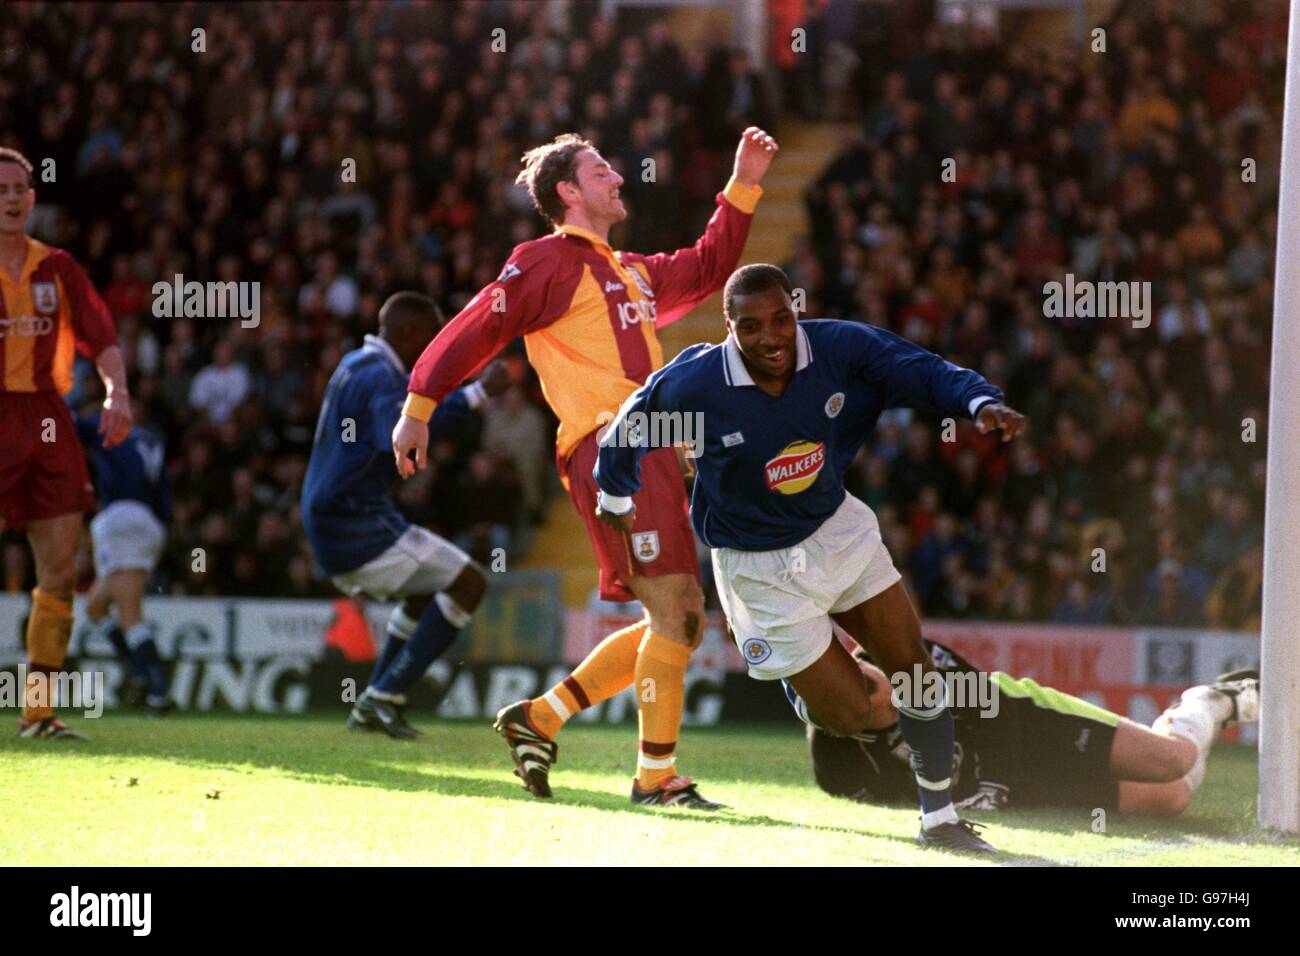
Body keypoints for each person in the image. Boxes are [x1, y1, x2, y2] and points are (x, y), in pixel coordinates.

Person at [391, 128, 778, 807]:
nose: (618, 178)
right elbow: (480, 324)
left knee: (680, 618)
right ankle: (656, 778)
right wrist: (420, 402)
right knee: (678, 614)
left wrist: (743, 183)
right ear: (568, 191)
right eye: (602, 170)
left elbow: (709, 266)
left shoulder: (630, 270)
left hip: (654, 444)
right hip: (613, 446)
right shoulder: (548, 261)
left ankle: (539, 719)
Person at [595, 263, 1027, 851]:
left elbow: (918, 368)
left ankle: (940, 818)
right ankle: (801, 678)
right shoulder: (697, 384)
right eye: (751, 327)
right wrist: (613, 493)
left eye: (781, 320)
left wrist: (977, 401)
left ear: (794, 311)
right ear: (729, 326)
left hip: (836, 531)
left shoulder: (837, 349)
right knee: (846, 717)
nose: (771, 338)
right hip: (756, 567)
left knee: (915, 668)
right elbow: (629, 428)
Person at [302, 292, 507, 739]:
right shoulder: (378, 376)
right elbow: (401, 433)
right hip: (352, 519)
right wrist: (474, 395)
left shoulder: (356, 364)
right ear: (411, 334)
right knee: (470, 581)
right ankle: (382, 696)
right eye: (432, 339)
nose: (435, 350)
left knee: (422, 594)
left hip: (343, 513)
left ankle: (376, 701)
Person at [800, 627, 1260, 819]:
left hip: (1030, 724)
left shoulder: (910, 665)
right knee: (1172, 799)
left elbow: (994, 709)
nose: (890, 704)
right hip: (1019, 790)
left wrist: (993, 785)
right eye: (869, 710)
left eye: (874, 684)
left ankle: (1209, 702)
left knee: (1173, 761)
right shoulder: (835, 763)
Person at [0, 147, 131, 740]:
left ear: (32, 198)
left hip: (48, 421)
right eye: (0, 188)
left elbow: (101, 335)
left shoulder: (58, 267)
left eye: (19, 189)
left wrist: (117, 393)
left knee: (58, 574)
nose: (10, 197)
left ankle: (37, 712)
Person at [76, 398, 174, 715]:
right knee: (94, 606)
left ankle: (158, 695)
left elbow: (70, 422)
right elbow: (164, 495)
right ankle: (139, 671)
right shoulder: (150, 439)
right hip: (147, 523)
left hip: (122, 521)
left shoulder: (109, 428)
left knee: (130, 615)